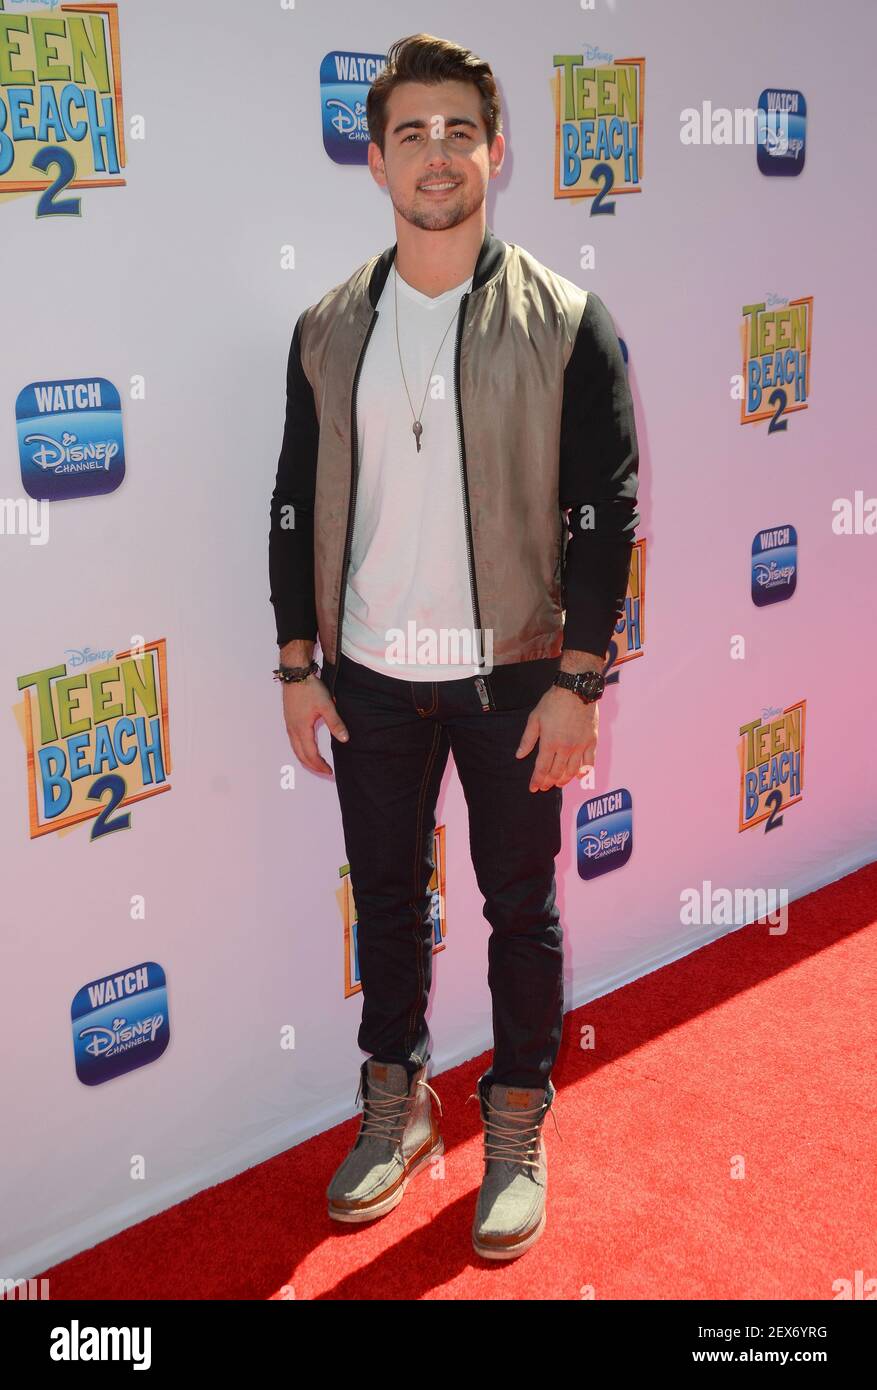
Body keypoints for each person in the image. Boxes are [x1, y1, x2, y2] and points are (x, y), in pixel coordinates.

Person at [268, 32, 639, 1260]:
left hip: (516, 678)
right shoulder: (326, 328)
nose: (437, 155)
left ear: (497, 151)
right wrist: (294, 661)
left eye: (459, 132)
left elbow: (608, 508)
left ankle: (518, 1120)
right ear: (373, 162)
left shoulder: (569, 322)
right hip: (368, 677)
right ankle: (397, 1103)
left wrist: (580, 679)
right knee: (384, 901)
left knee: (520, 908)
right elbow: (287, 497)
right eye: (412, 135)